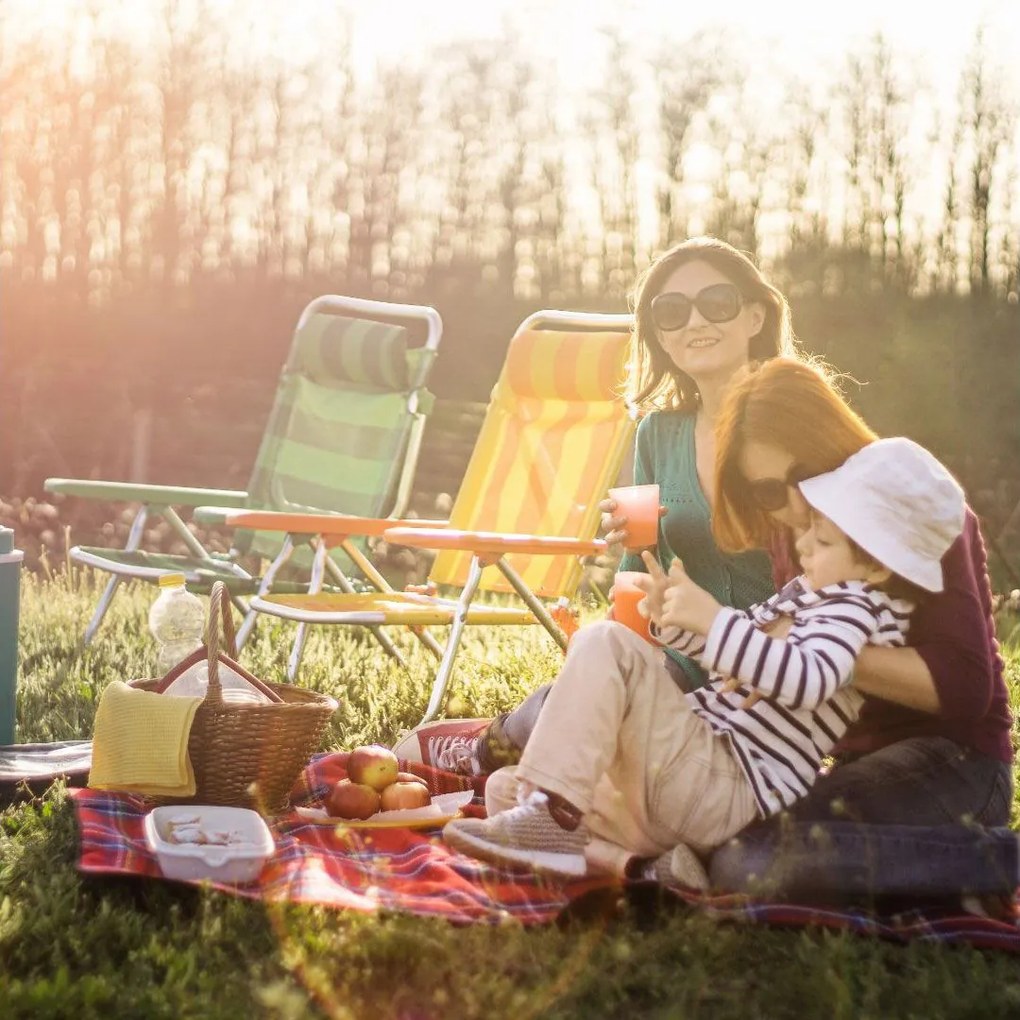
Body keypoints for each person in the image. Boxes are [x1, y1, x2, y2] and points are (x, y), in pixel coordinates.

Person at [441, 438, 964, 881]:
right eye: (810, 528)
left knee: (607, 644)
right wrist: (678, 622)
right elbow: (733, 664)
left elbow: (809, 679)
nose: (803, 542)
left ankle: (555, 820)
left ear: (875, 565)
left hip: (723, 778)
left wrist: (713, 620)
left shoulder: (855, 606)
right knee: (510, 786)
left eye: (823, 538)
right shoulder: (815, 590)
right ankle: (642, 867)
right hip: (690, 783)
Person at [394, 236, 799, 773]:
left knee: (614, 720)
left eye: (717, 303)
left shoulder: (794, 421)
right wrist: (632, 551)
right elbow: (638, 578)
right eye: (671, 312)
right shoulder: (659, 432)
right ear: (659, 335)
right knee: (608, 688)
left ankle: (496, 745)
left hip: (770, 661)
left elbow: (835, 564)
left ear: (754, 316)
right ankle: (491, 752)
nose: (695, 322)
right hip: (680, 658)